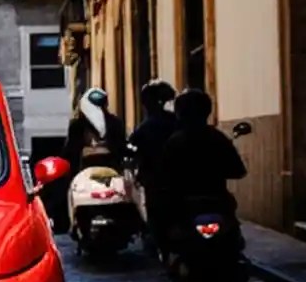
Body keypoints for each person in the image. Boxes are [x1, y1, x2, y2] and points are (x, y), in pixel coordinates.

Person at [157, 88, 247, 237]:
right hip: (215, 199)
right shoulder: (218, 138)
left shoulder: (174, 142)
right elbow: (238, 170)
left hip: (184, 203)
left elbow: (163, 174)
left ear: (179, 113)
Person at [129, 79, 178, 249]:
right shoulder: (177, 123)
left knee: (156, 217)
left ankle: (162, 247)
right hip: (180, 178)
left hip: (155, 180)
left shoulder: (146, 127)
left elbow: (132, 147)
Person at [62, 87, 127, 173]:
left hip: (109, 173)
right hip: (87, 174)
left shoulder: (77, 124)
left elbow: (69, 152)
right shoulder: (77, 125)